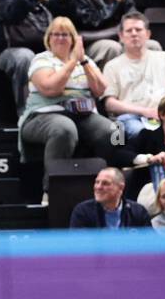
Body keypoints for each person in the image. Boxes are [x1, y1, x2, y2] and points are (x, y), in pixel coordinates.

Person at [17, 17, 116, 196]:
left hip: (82, 115)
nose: (60, 38)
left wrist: (83, 61)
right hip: (43, 116)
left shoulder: (85, 60)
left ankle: (104, 186)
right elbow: (50, 88)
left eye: (65, 34)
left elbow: (100, 89)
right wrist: (72, 62)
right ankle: (51, 190)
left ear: (73, 39)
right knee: (64, 129)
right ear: (48, 38)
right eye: (55, 34)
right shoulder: (41, 60)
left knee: (112, 131)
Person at [101, 12, 165, 141]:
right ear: (121, 36)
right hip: (130, 117)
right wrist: (144, 111)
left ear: (148, 34)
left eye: (138, 29)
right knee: (145, 135)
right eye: (129, 30)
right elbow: (109, 103)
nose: (134, 33)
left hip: (163, 115)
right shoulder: (112, 66)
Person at [0, 0, 67, 108]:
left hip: (44, 48)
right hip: (12, 50)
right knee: (26, 57)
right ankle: (28, 113)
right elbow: (11, 17)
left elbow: (62, 18)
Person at [54, 0, 138, 65]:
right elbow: (94, 22)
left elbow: (134, 16)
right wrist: (116, 2)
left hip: (119, 37)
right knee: (111, 47)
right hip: (92, 42)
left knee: (151, 45)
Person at [68, 166, 150, 228]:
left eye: (105, 183)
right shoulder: (83, 211)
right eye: (97, 182)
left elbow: (150, 244)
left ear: (121, 188)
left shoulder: (138, 212)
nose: (98, 187)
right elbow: (79, 246)